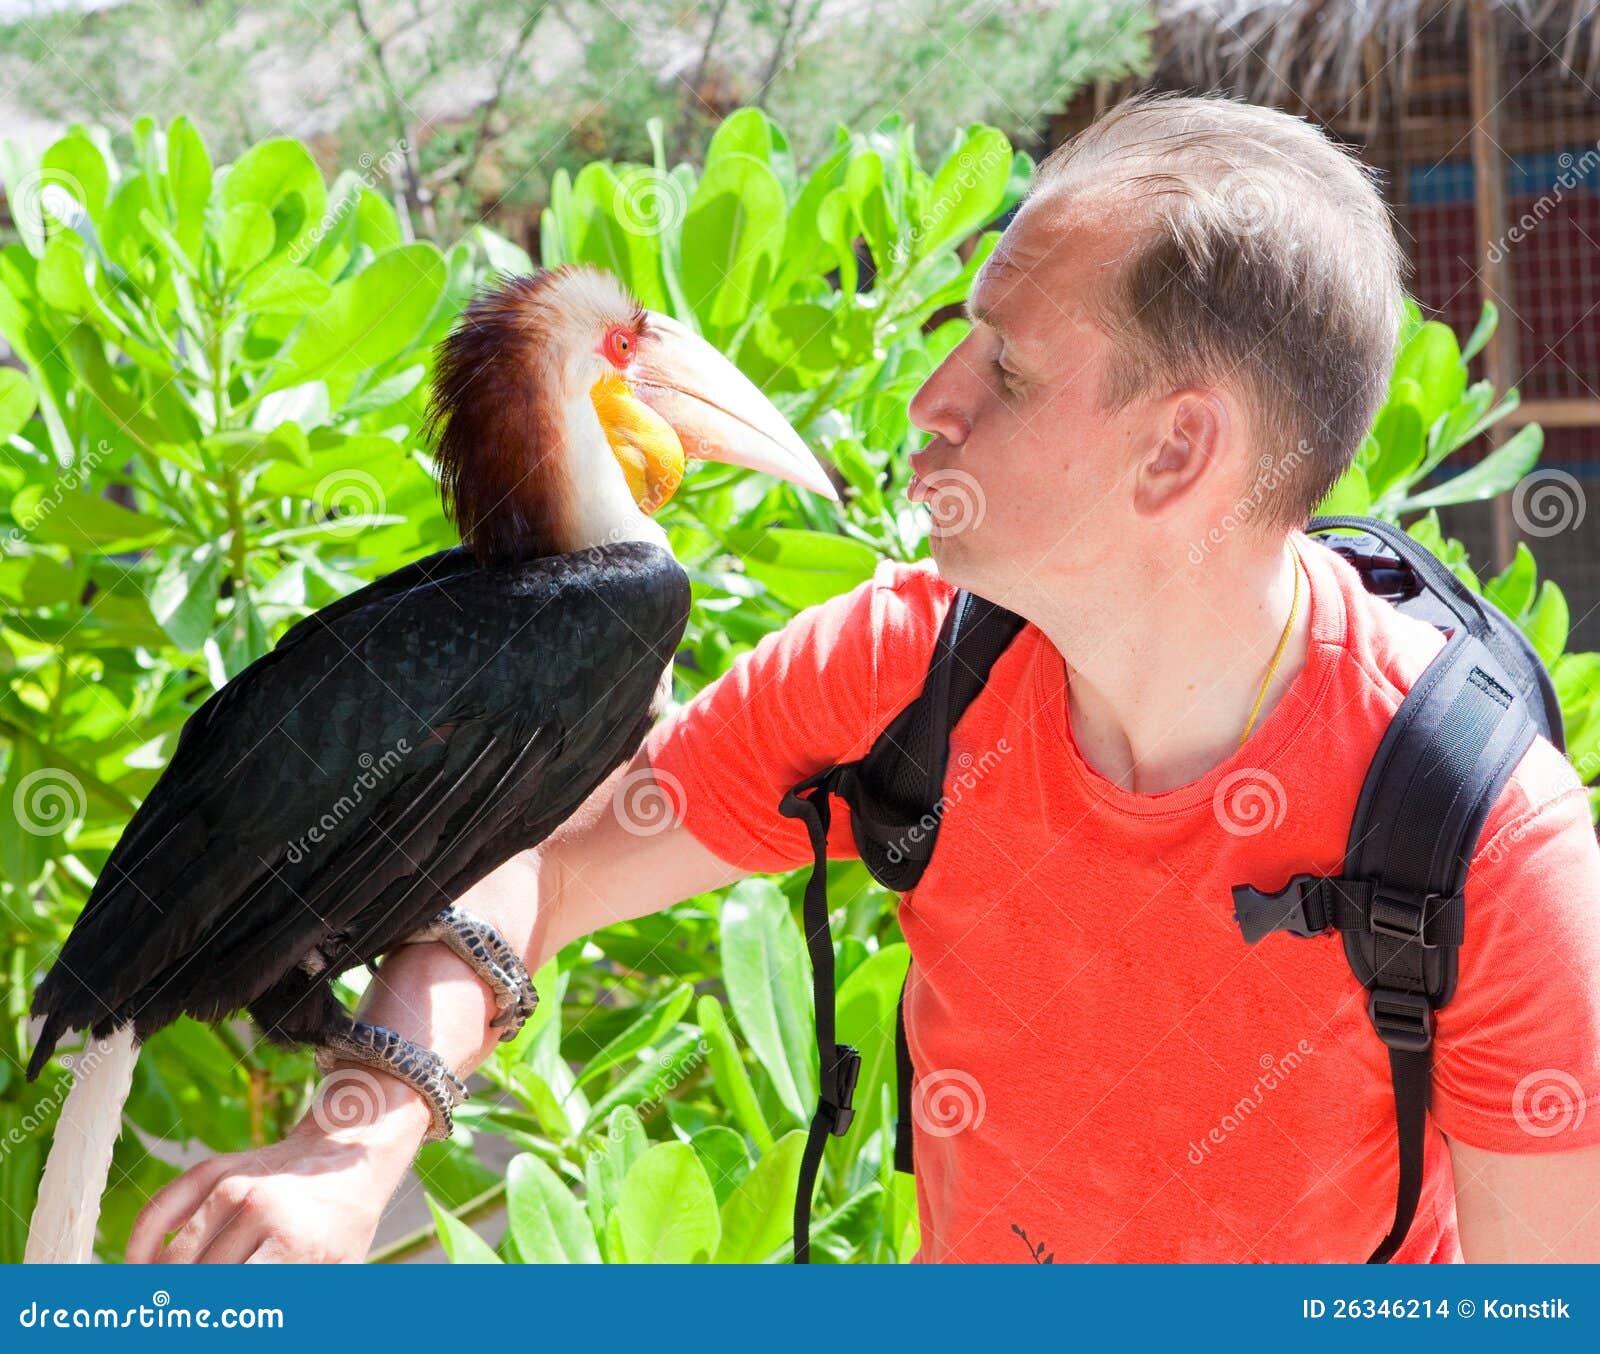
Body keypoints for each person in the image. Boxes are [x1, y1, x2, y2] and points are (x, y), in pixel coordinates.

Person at [126, 92, 1600, 1264]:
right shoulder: (910, 668)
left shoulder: (1478, 838)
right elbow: (546, 870)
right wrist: (357, 1139)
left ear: (1177, 451)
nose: (929, 401)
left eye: (1005, 369)